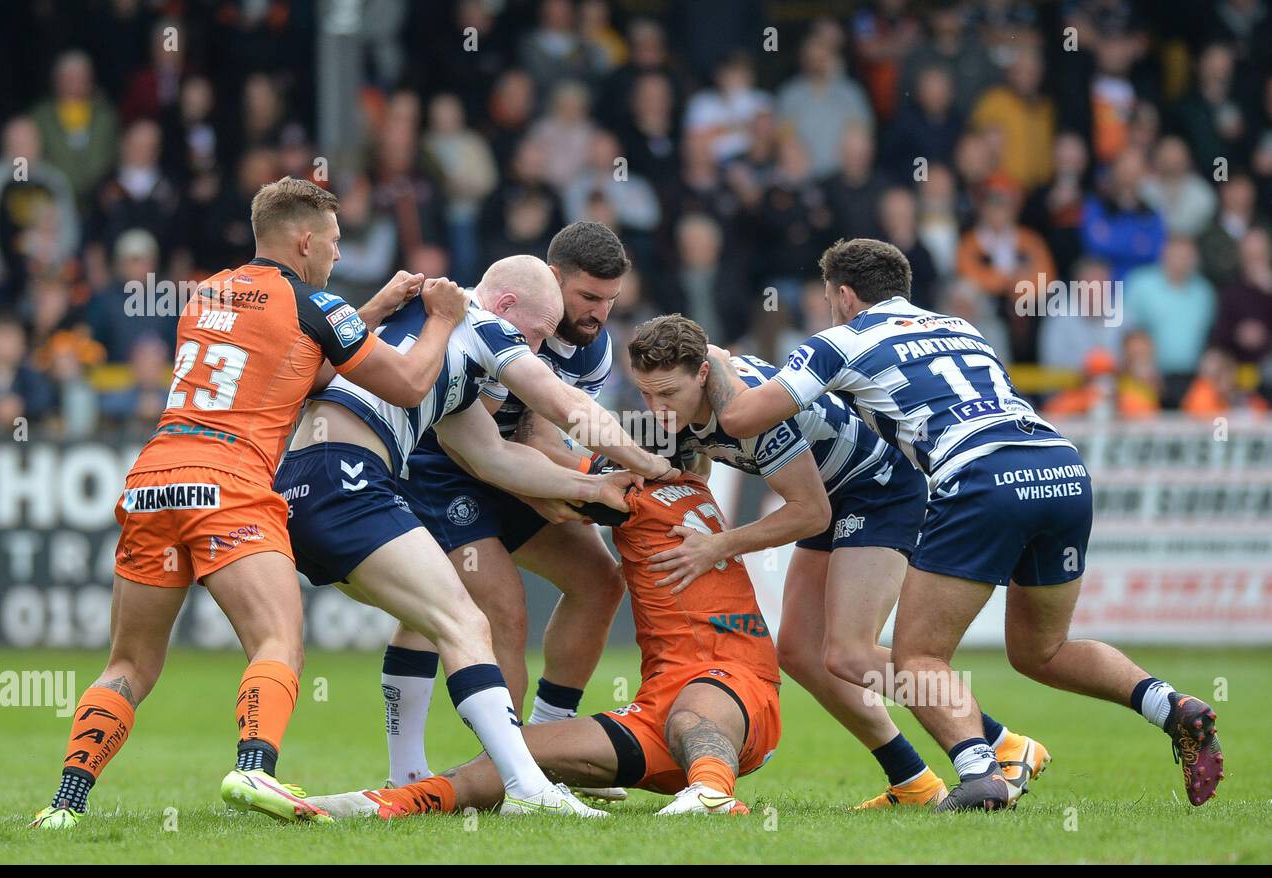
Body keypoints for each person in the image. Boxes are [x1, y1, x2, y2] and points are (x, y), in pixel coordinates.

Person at [703, 237, 1224, 810]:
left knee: (917, 658)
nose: (830, 310)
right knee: (1042, 651)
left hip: (980, 474)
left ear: (845, 297)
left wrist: (721, 364)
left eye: (831, 300)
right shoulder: (959, 325)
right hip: (1060, 465)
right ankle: (1170, 705)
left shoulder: (839, 341)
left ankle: (980, 774)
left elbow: (742, 415)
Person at [30, 177, 472, 829]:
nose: (337, 256)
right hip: (231, 478)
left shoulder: (205, 294)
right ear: (304, 240)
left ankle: (65, 804)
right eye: (333, 242)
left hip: (154, 475)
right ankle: (255, 767)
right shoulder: (317, 303)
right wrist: (441, 320)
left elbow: (293, 365)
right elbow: (406, 383)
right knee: (277, 640)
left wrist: (368, 310)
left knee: (128, 662)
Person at [276, 253, 680, 817]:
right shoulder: (481, 323)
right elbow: (566, 406)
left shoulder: (441, 346)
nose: (536, 350)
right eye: (535, 337)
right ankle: (527, 786)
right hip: (346, 481)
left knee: (432, 618)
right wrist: (650, 465)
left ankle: (408, 773)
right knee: (468, 620)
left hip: (305, 486)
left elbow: (494, 458)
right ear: (507, 307)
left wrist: (591, 489)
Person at [627, 314, 1047, 808]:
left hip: (879, 491)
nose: (657, 409)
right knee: (802, 652)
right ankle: (913, 781)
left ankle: (1003, 744)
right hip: (831, 492)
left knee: (851, 653)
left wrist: (718, 545)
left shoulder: (748, 409)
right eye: (646, 394)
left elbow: (809, 512)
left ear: (700, 375)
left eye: (667, 395)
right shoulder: (688, 392)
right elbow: (699, 454)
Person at [302, 472, 782, 820]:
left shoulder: (624, 487)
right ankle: (388, 803)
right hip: (654, 712)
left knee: (690, 712)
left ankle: (713, 794)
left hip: (738, 684)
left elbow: (528, 470)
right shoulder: (689, 483)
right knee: (515, 759)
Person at [379, 223, 632, 802]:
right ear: (552, 278)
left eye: (611, 300)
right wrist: (595, 482)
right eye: (589, 298)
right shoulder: (488, 315)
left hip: (510, 468)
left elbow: (540, 437)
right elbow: (478, 448)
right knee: (501, 612)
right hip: (442, 469)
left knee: (599, 579)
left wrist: (582, 483)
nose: (599, 313)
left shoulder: (594, 346)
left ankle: (547, 745)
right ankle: (513, 777)